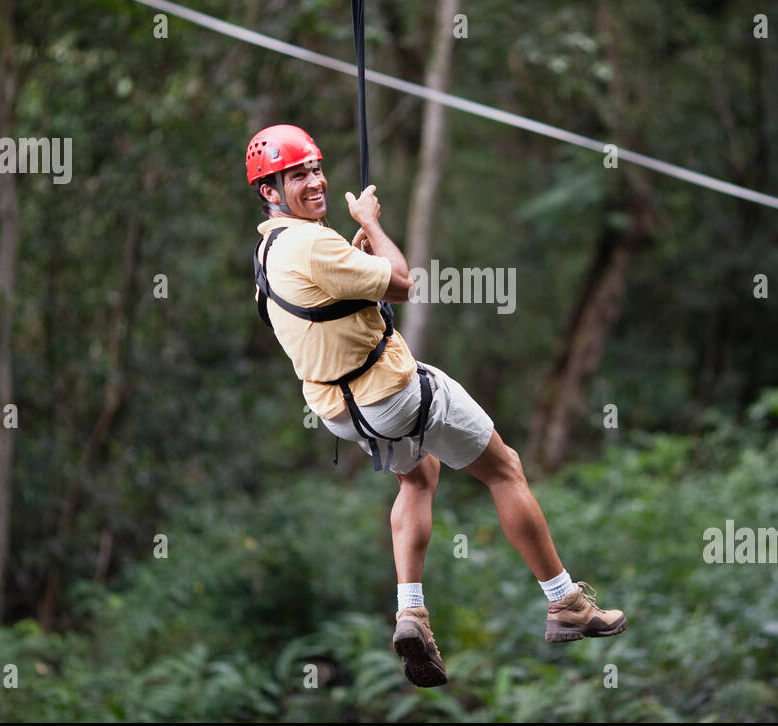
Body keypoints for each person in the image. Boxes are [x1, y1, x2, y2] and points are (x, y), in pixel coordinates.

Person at [248, 123, 627, 688]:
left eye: (316, 168)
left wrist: (353, 252)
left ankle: (411, 613)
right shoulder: (314, 241)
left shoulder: (271, 249)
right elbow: (403, 284)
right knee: (505, 469)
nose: (316, 181)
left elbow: (324, 297)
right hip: (396, 397)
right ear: (270, 191)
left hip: (342, 414)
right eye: (297, 175)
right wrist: (371, 224)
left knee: (419, 478)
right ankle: (564, 602)